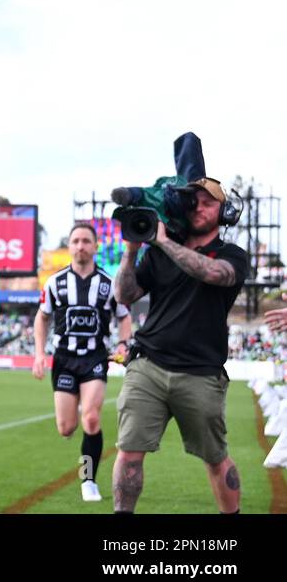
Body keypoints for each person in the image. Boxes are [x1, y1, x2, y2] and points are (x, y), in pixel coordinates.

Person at [111, 178, 250, 513]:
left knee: (215, 458)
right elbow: (124, 295)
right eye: (193, 202)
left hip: (201, 372)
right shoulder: (158, 251)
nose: (198, 208)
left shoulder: (232, 254)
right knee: (128, 452)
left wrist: (164, 243)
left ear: (225, 212)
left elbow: (214, 274)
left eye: (208, 203)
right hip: (148, 364)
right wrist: (132, 251)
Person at [33, 221, 132, 502]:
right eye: (75, 241)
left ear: (95, 247)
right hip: (64, 360)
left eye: (86, 241)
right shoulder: (55, 283)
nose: (80, 246)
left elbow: (125, 317)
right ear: (69, 246)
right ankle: (72, 420)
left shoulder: (109, 284)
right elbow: (42, 317)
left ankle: (89, 480)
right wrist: (39, 353)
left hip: (95, 358)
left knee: (91, 418)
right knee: (66, 428)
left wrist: (123, 343)